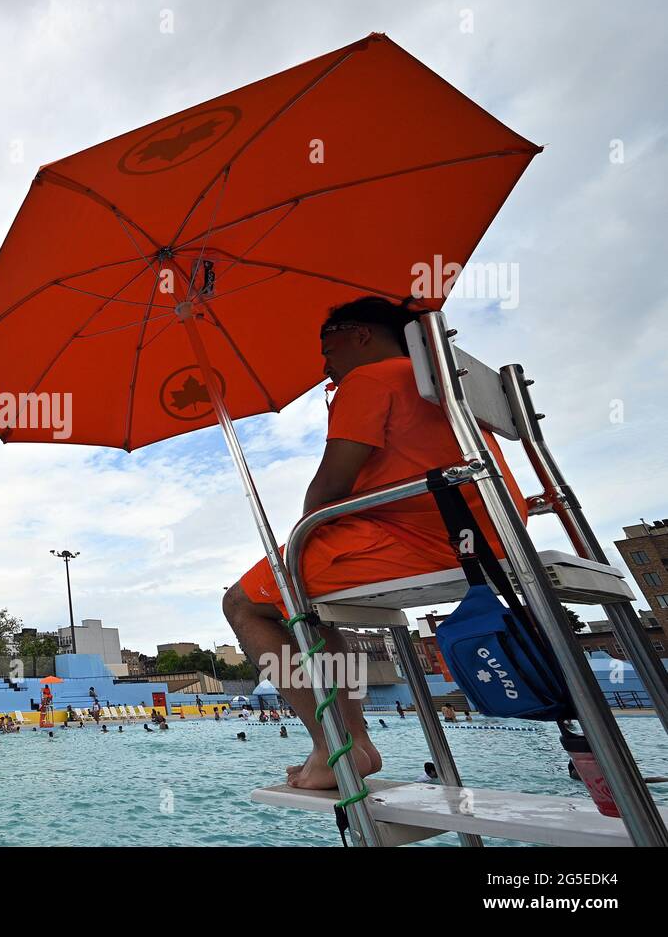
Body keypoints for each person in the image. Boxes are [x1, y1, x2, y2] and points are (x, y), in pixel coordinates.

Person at [223, 297, 530, 791]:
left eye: (328, 349)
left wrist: (306, 530)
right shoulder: (435, 379)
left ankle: (336, 744)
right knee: (314, 609)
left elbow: (332, 483)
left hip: (424, 539)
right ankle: (353, 742)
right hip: (485, 535)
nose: (325, 364)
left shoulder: (373, 378)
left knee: (244, 603)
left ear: (359, 335)